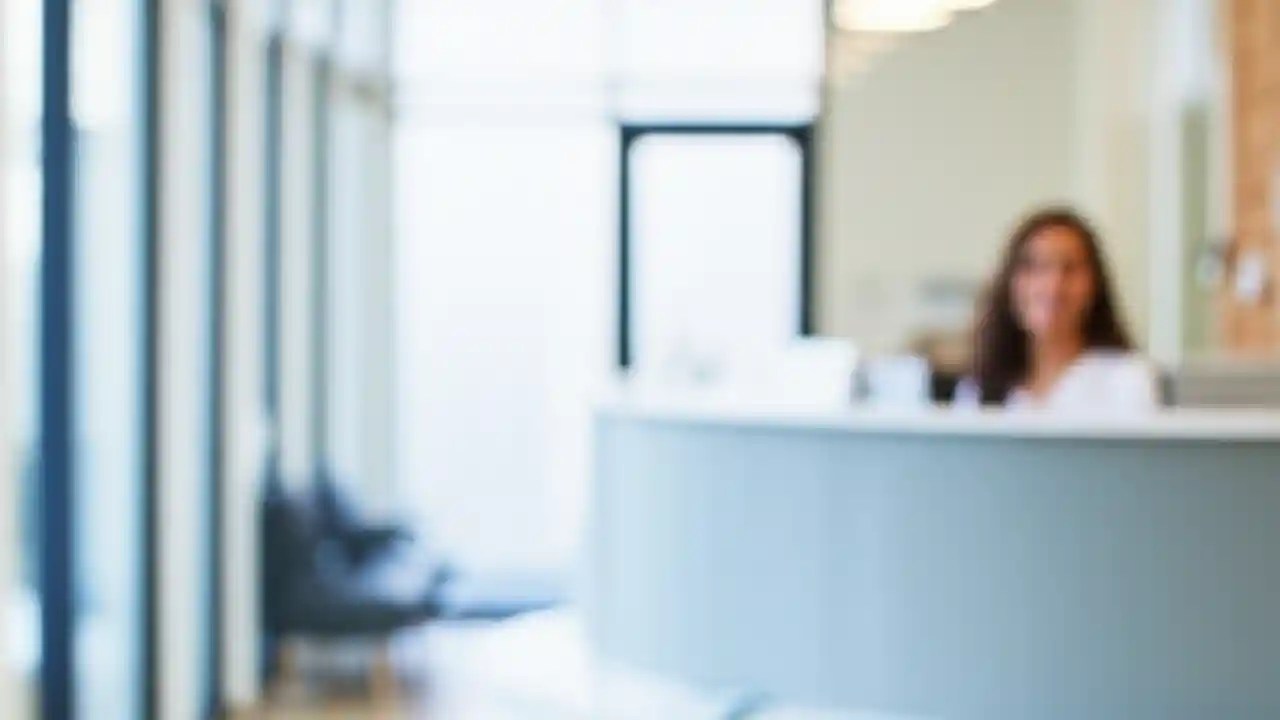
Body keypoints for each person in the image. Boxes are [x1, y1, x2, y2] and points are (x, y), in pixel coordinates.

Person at [955, 207, 1159, 410]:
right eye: (1035, 267)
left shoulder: (1127, 379)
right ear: (1009, 282)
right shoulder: (978, 387)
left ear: (1095, 284)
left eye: (1070, 268)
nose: (1053, 286)